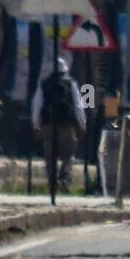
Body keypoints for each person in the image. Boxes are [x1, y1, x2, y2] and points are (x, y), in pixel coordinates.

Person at [31, 56, 86, 189]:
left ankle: (52, 183)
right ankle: (64, 180)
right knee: (69, 154)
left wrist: (36, 124)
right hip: (67, 125)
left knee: (50, 156)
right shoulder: (71, 83)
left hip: (48, 125)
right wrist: (82, 125)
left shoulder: (43, 84)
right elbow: (78, 106)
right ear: (65, 70)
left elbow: (37, 105)